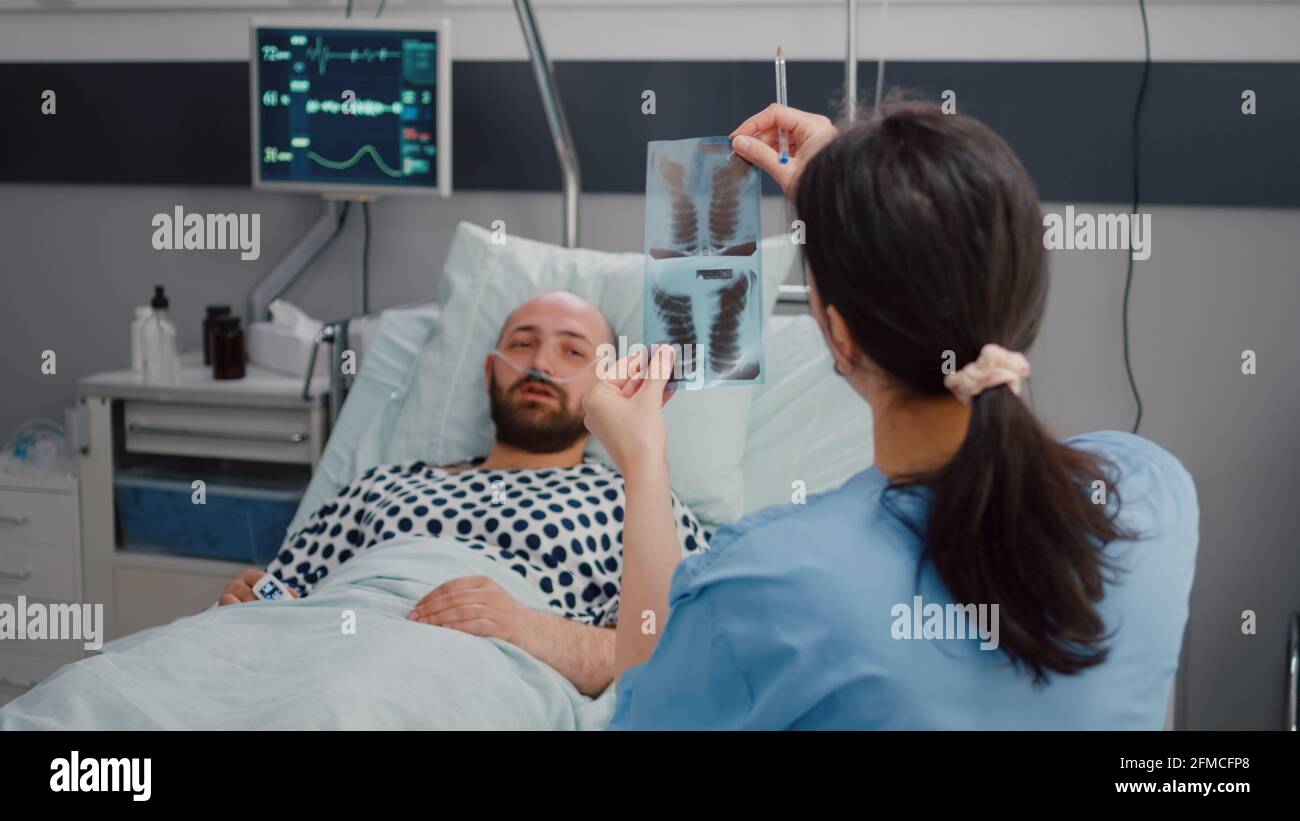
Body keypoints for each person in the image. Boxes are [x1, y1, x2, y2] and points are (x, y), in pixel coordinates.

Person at [582, 98, 1199, 729]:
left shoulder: (764, 585)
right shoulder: (1149, 492)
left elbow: (646, 710)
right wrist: (856, 209)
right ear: (1025, 290)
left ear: (841, 337)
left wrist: (645, 464)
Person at [218, 291, 709, 696]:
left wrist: (526, 628)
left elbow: (678, 653)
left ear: (610, 382)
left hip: (455, 679)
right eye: (521, 344)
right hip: (306, 657)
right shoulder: (381, 484)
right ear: (488, 370)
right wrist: (255, 600)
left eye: (573, 351)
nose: (540, 362)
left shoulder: (635, 498)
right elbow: (282, 598)